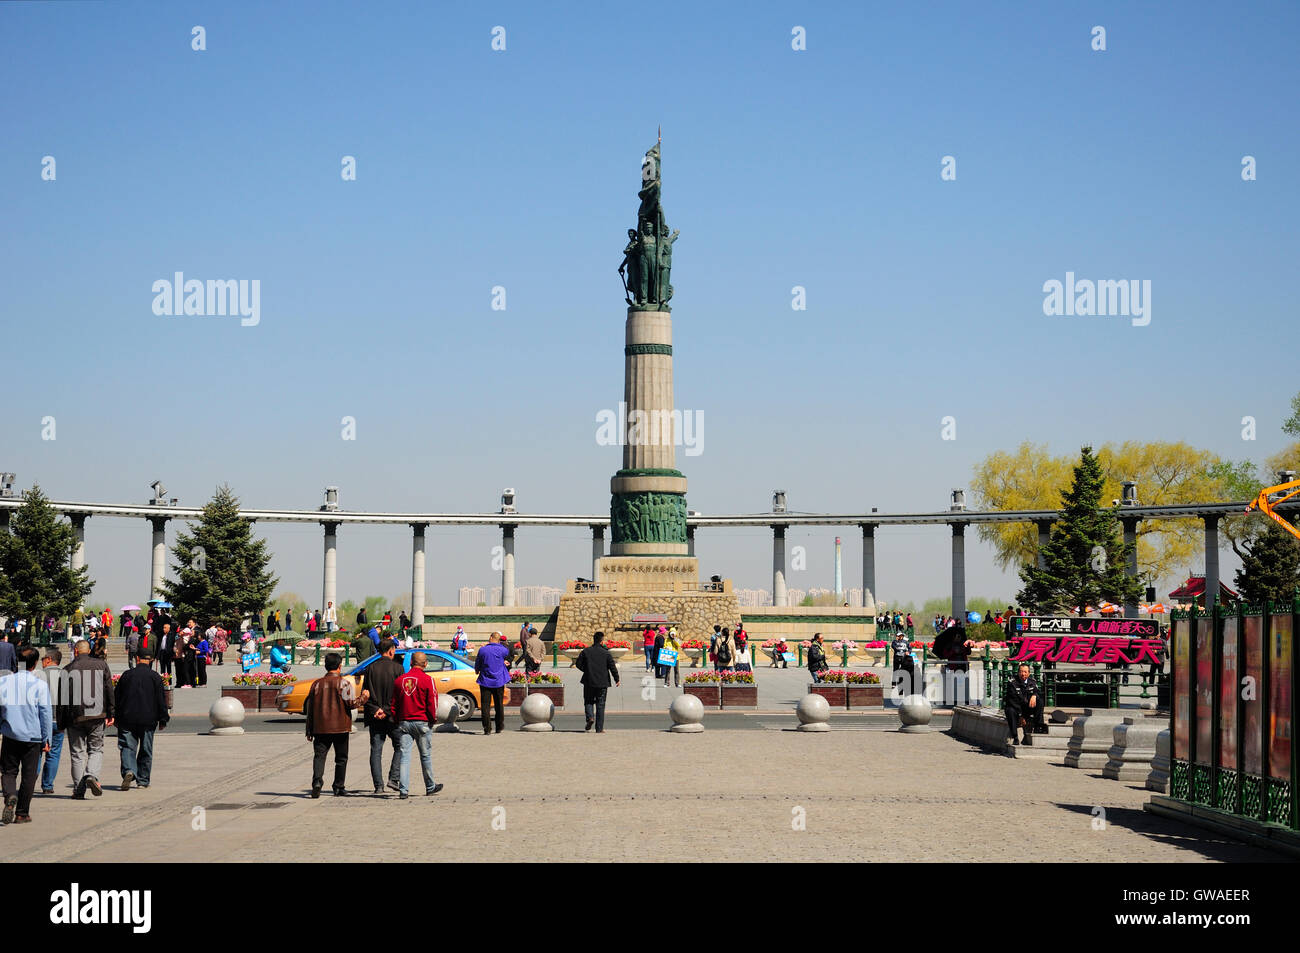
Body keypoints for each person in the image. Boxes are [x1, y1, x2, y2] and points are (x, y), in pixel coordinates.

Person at [0, 647, 53, 825]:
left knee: (8, 771)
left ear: (17, 662)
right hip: (33, 737)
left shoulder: (4, 682)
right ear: (35, 663)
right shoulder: (40, 685)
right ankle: (22, 813)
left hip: (10, 734)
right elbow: (45, 714)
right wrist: (47, 738)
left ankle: (10, 795)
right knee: (29, 775)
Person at [59, 639, 115, 799]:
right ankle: (91, 774)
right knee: (96, 749)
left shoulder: (67, 669)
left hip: (75, 716)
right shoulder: (101, 665)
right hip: (97, 714)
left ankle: (78, 789)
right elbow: (109, 689)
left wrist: (61, 723)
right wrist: (111, 713)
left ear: (75, 651)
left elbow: (62, 700)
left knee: (77, 753)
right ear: (88, 650)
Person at [303, 652, 359, 797]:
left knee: (319, 756)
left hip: (320, 727)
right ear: (340, 666)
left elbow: (311, 709)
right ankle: (338, 786)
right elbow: (351, 704)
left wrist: (309, 729)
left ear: (326, 667)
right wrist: (364, 697)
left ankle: (317, 782)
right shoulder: (344, 683)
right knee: (341, 758)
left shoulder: (316, 684)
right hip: (340, 727)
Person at [114, 645, 168, 789]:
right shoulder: (155, 677)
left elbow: (117, 698)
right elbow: (161, 701)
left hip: (127, 719)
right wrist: (163, 719)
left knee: (127, 747)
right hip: (148, 719)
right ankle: (143, 781)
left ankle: (129, 770)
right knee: (146, 749)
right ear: (150, 660)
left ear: (137, 658)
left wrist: (115, 717)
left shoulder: (127, 675)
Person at [392, 652, 442, 798]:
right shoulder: (427, 680)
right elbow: (432, 702)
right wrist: (433, 719)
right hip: (422, 721)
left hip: (404, 722)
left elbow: (394, 703)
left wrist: (397, 720)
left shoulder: (399, 681)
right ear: (425, 663)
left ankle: (403, 790)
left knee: (404, 756)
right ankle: (430, 786)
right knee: (425, 756)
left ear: (411, 662)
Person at [359, 638, 404, 795]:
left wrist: (376, 710)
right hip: (392, 716)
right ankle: (394, 777)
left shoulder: (370, 668)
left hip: (374, 716)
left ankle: (378, 786)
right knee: (400, 746)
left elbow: (365, 694)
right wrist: (386, 710)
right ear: (391, 650)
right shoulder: (398, 669)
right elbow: (399, 695)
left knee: (376, 750)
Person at [576, 631, 620, 732]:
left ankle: (590, 718)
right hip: (602, 682)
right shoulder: (606, 653)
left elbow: (578, 664)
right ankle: (599, 728)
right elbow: (612, 667)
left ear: (594, 640)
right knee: (600, 704)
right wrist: (616, 679)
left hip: (588, 681)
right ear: (601, 641)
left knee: (588, 701)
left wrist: (586, 670)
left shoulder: (586, 651)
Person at [36, 648, 64, 796]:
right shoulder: (65, 675)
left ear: (48, 660)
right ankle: (47, 785)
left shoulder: (38, 675)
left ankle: (29, 780)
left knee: (36, 753)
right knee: (54, 753)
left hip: (39, 721)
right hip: (58, 721)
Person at [475, 632, 511, 735]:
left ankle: (487, 729)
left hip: (485, 680)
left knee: (485, 706)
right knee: (499, 705)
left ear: (490, 637)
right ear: (499, 640)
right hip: (498, 681)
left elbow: (478, 662)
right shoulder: (503, 650)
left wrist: (477, 670)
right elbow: (505, 653)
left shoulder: (483, 649)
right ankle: (499, 727)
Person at [1003, 663, 1040, 746]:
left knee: (1039, 701)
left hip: (1027, 707)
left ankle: (1038, 726)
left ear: (1029, 673)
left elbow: (1037, 691)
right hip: (1016, 708)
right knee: (1010, 710)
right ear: (1018, 672)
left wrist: (1034, 695)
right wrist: (1021, 716)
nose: (1023, 674)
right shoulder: (1012, 683)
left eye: (1025, 672)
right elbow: (1013, 701)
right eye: (1021, 672)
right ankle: (1015, 737)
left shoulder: (1032, 681)